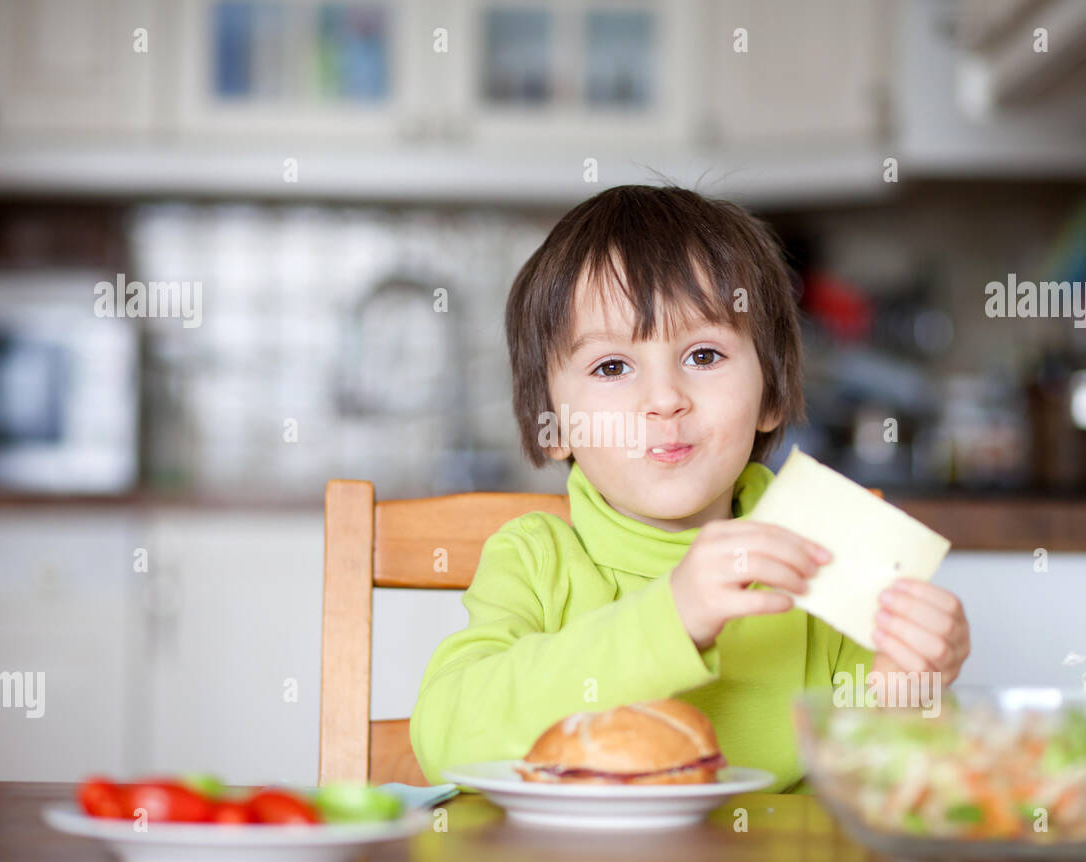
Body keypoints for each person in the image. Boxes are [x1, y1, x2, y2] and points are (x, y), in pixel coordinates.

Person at [410, 185, 970, 793]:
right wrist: (671, 618)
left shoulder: (822, 547)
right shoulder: (535, 558)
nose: (665, 400)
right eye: (612, 367)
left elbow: (904, 792)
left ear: (773, 394)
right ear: (552, 424)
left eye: (704, 355)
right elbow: (444, 739)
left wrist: (912, 685)